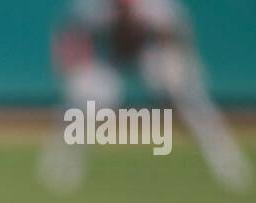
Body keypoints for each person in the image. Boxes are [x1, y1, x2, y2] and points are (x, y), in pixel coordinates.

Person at [38, 0, 251, 191]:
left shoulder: (159, 7)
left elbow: (182, 43)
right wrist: (73, 69)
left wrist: (182, 74)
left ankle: (226, 161)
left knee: (185, 90)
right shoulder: (92, 6)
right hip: (109, 59)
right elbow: (69, 35)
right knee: (86, 94)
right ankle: (61, 166)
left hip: (151, 57)